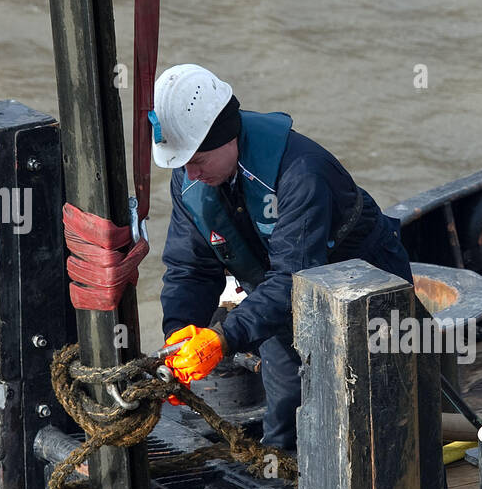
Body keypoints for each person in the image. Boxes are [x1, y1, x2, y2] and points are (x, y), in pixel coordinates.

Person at [151, 64, 414, 451]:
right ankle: (289, 486)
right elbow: (190, 268)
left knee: (381, 413)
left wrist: (223, 338)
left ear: (225, 137)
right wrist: (178, 337)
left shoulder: (302, 172)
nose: (189, 171)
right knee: (288, 412)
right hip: (274, 297)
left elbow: (294, 276)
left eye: (195, 159)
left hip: (363, 292)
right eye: (180, 163)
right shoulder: (191, 178)